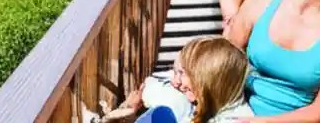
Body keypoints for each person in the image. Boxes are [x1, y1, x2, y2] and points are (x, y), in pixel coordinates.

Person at [103, 37, 254, 123]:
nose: (175, 82)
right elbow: (150, 88)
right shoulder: (207, 103)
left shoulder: (236, 119)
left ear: (209, 78)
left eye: (182, 73)